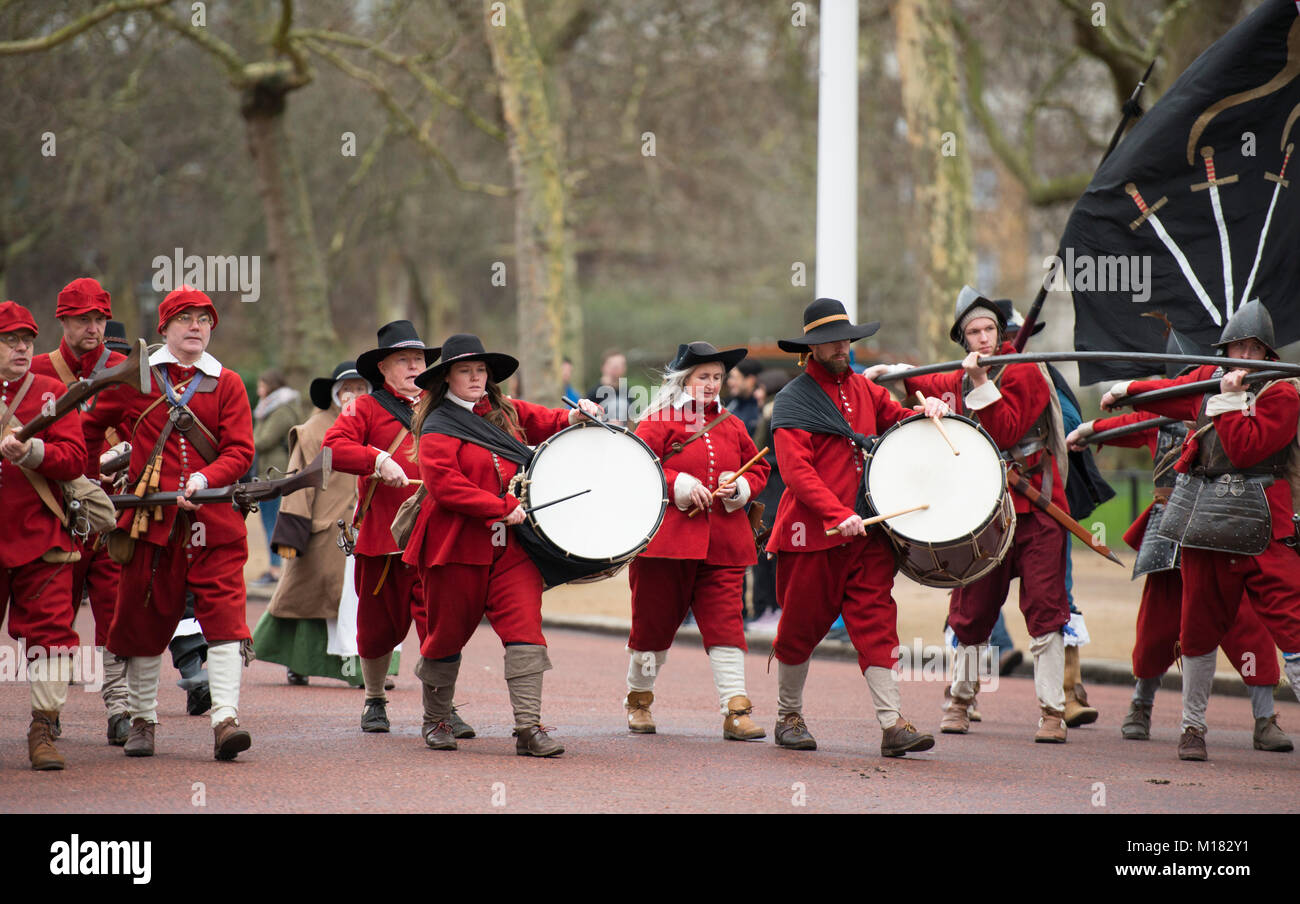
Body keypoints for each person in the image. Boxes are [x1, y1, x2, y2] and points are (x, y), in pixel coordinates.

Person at [1098, 299, 1300, 761]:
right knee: (1196, 628)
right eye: (1236, 347)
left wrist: (1227, 401)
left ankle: (1266, 717)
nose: (1242, 358)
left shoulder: (1283, 394)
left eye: (1252, 350)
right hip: (1205, 518)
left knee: (1291, 625)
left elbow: (1247, 450)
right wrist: (1127, 387)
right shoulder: (1208, 381)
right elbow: (1168, 391)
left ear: (1268, 355)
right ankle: (1192, 728)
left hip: (1264, 520)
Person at [403, 333, 605, 756]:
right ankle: (437, 719)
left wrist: (578, 415)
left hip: (510, 549)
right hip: (455, 548)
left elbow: (549, 420)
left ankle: (528, 728)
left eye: (480, 371)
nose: (475, 378)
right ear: (447, 378)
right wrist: (498, 505)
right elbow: (445, 486)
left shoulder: (505, 411)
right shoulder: (438, 425)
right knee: (445, 637)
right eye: (465, 371)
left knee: (526, 631)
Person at [82, 285, 257, 761]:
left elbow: (240, 451)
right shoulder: (133, 379)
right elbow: (88, 427)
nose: (196, 326)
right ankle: (142, 720)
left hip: (214, 524)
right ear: (165, 328)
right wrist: (88, 474)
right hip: (148, 525)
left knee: (224, 619)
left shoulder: (228, 383)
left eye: (203, 319)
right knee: (142, 618)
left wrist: (205, 477)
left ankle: (225, 719)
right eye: (185, 318)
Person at [767, 298, 946, 758]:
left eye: (845, 338)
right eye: (831, 341)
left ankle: (892, 724)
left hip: (869, 531)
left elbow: (897, 425)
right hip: (814, 536)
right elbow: (797, 473)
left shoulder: (868, 392)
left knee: (876, 623)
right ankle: (788, 716)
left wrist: (925, 415)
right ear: (811, 349)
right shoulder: (791, 400)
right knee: (799, 628)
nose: (841, 346)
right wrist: (834, 514)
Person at [898, 288, 1072, 742]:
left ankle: (1053, 712)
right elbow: (921, 389)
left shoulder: (1026, 369)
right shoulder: (958, 376)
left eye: (989, 330)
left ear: (1001, 332)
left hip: (1038, 505)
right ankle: (960, 698)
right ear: (963, 339)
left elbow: (1006, 429)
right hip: (984, 512)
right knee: (972, 610)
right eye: (973, 332)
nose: (982, 338)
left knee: (1047, 608)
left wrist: (980, 384)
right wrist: (899, 377)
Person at [623, 341, 771, 739]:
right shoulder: (656, 420)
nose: (712, 384)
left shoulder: (734, 424)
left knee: (726, 625)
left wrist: (739, 485)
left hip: (723, 541)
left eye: (718, 377)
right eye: (703, 376)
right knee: (652, 630)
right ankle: (639, 699)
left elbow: (760, 469)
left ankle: (735, 709)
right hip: (667, 545)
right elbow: (636, 469)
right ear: (684, 379)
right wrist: (680, 485)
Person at [322, 321, 461, 735]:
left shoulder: (444, 405)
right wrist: (376, 460)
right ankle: (374, 698)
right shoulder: (364, 407)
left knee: (441, 627)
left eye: (419, 359)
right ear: (383, 367)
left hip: (438, 539)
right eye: (404, 360)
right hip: (383, 539)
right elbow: (332, 448)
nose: (414, 366)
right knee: (377, 630)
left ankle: (442, 709)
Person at [29, 278, 130, 745]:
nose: (93, 328)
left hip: (111, 510)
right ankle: (48, 715)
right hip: (54, 510)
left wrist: (126, 457)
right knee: (54, 613)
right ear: (63, 322)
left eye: (99, 319)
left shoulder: (125, 369)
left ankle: (120, 706)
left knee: (115, 611)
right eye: (83, 319)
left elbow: (143, 431)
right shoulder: (35, 372)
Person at [0, 301, 86, 769]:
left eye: (27, 339)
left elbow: (74, 459)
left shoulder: (53, 391)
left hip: (42, 532)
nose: (21, 347)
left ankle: (43, 728)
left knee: (53, 635)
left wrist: (32, 451)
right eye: (10, 339)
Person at [253, 361, 373, 686]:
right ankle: (298, 661)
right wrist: (293, 530)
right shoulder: (312, 430)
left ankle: (368, 672)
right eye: (349, 388)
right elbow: (297, 482)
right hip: (324, 531)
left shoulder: (378, 425)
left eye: (362, 388)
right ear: (336, 393)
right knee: (306, 598)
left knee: (364, 603)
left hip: (369, 530)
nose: (355, 395)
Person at [252, 368, 301, 584]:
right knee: (271, 520)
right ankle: (276, 568)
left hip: (276, 473)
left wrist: (247, 442)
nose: (258, 389)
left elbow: (262, 440)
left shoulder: (281, 410)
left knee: (274, 522)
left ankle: (275, 570)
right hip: (269, 472)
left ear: (271, 385)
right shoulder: (268, 408)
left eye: (262, 384)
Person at [586, 347, 630, 426]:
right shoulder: (593, 393)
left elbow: (631, 420)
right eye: (614, 365)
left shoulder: (627, 391)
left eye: (621, 365)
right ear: (603, 367)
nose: (617, 368)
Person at [725, 358, 763, 438]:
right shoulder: (728, 404)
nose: (729, 381)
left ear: (750, 380)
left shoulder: (760, 407)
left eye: (734, 378)